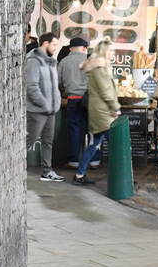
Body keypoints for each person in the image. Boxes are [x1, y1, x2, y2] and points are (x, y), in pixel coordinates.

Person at [73, 39, 121, 185]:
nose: (113, 53)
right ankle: (120, 179)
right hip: (102, 112)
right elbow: (105, 90)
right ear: (104, 51)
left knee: (95, 143)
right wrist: (115, 107)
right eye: (111, 50)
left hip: (100, 111)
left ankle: (80, 175)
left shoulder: (102, 66)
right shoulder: (100, 68)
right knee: (118, 144)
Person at [26, 31, 64, 181]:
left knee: (48, 142)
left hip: (50, 110)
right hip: (37, 111)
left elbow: (54, 86)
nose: (56, 48)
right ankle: (11, 167)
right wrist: (45, 104)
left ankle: (47, 171)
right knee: (29, 140)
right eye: (54, 44)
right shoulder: (33, 61)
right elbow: (31, 87)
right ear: (45, 44)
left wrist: (55, 103)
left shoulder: (51, 61)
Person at [58, 37, 90, 168]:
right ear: (84, 48)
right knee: (93, 130)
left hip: (72, 99)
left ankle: (74, 161)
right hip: (89, 100)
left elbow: (58, 82)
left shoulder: (64, 62)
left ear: (71, 48)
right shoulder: (90, 61)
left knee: (75, 130)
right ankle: (94, 160)